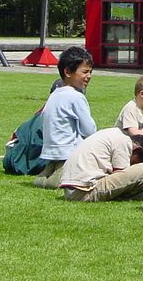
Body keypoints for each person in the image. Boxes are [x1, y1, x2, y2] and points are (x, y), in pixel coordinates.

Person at [34, 47, 97, 189]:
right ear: (68, 72)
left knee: (53, 167)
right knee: (66, 173)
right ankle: (57, 179)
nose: (89, 76)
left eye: (90, 72)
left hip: (50, 150)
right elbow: (89, 130)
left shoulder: (55, 94)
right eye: (85, 72)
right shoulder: (76, 97)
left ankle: (45, 175)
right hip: (68, 150)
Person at [59, 128, 143, 202]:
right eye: (133, 162)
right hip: (84, 192)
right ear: (137, 150)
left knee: (142, 189)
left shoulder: (112, 134)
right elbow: (119, 174)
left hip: (72, 190)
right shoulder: (124, 142)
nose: (130, 165)